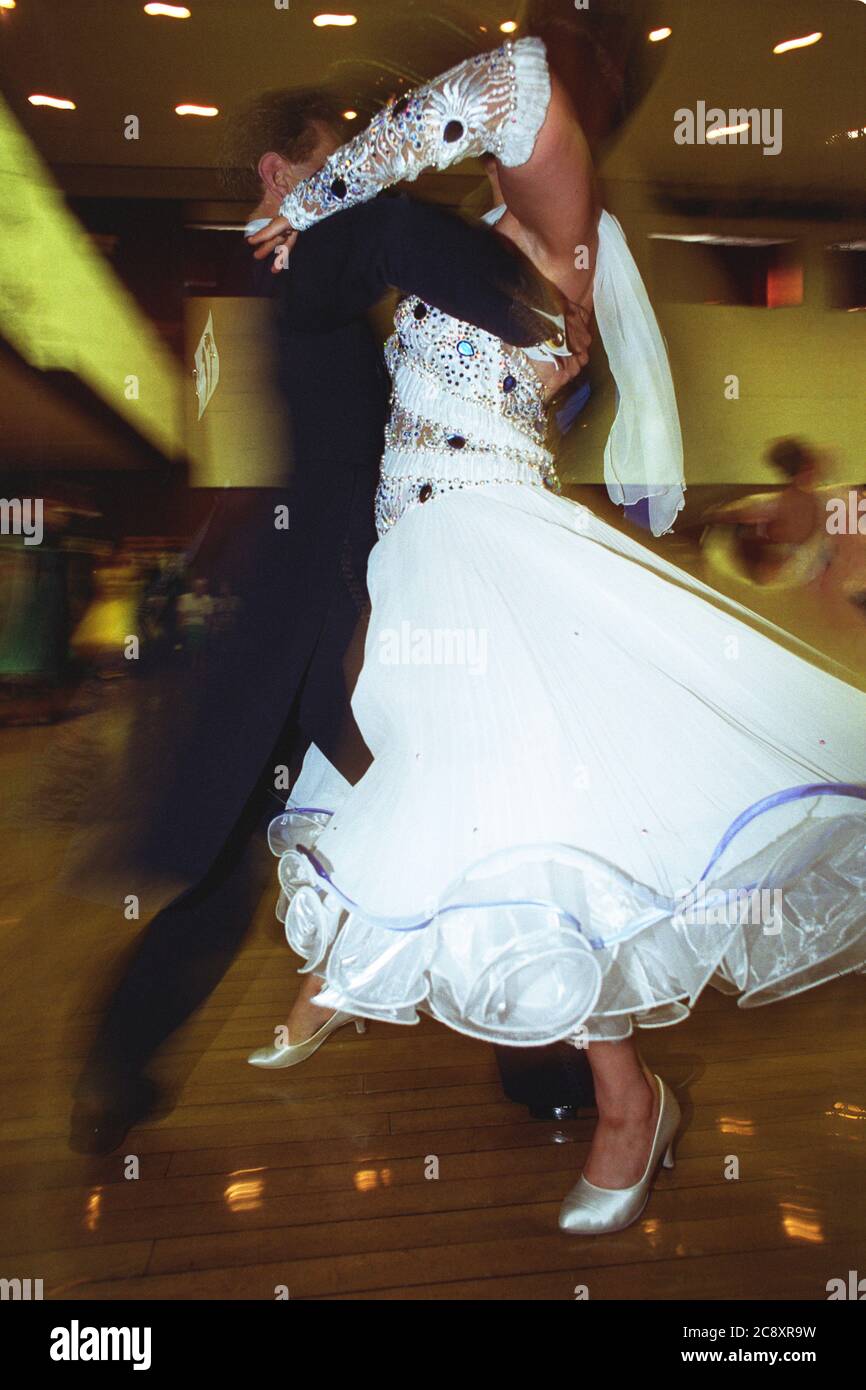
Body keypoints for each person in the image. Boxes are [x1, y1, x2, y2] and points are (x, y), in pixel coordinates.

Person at [249, 35, 866, 1234]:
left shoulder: (524, 88)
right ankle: (594, 1082)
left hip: (482, 542)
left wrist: (305, 204)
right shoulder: (507, 237)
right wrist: (542, 357)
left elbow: (425, 125)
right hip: (425, 549)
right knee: (527, 832)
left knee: (521, 810)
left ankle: (587, 1087)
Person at [68, 85, 588, 1153]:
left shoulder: (310, 272)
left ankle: (540, 1055)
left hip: (343, 613)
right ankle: (540, 1059)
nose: (365, 168)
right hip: (324, 619)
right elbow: (394, 228)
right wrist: (541, 312)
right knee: (406, 826)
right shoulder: (302, 259)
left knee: (432, 821)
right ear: (277, 172)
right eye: (337, 155)